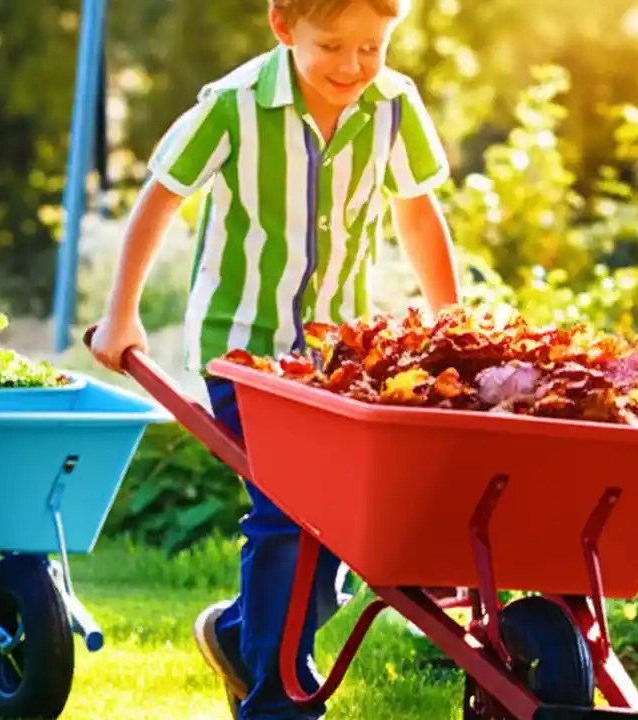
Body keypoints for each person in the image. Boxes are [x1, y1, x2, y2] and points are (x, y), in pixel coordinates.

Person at [89, 1, 460, 716]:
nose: (353, 66)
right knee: (287, 514)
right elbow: (161, 197)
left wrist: (450, 320)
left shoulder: (393, 105)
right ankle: (279, 700)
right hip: (246, 355)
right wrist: (121, 313)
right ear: (284, 26)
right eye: (333, 45)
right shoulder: (231, 106)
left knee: (349, 530)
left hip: (341, 360)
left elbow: (417, 211)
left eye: (372, 47)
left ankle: (239, 635)